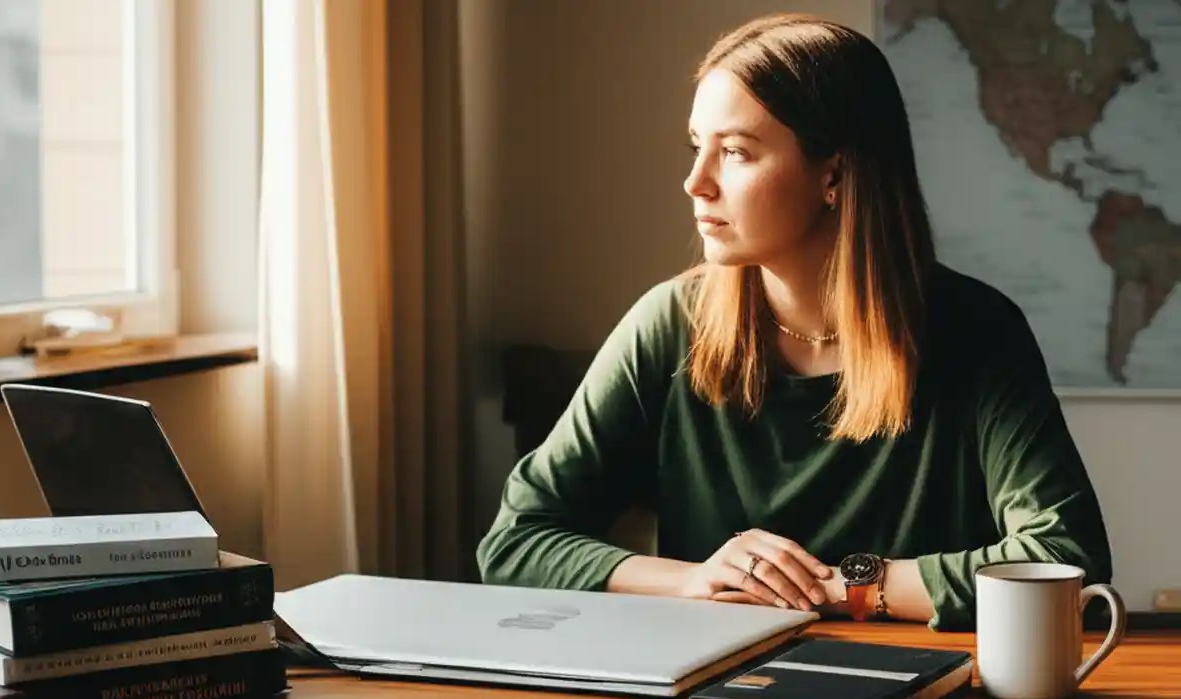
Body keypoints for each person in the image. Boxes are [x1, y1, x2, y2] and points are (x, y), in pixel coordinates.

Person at [475, 13, 1112, 630]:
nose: (695, 182)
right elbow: (515, 541)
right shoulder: (668, 325)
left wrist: (844, 586)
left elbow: (1065, 557)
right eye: (699, 147)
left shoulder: (976, 331)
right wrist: (695, 580)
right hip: (716, 688)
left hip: (922, 691)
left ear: (833, 174)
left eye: (736, 153)